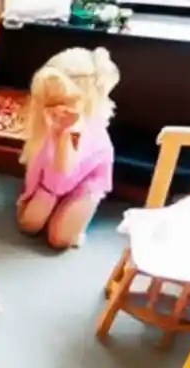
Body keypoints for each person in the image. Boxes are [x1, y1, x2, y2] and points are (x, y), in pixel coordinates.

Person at [17, 47, 119, 250]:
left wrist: (61, 135)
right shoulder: (46, 119)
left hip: (82, 178)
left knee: (60, 240)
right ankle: (47, 199)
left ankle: (74, 214)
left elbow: (65, 168)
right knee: (29, 225)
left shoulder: (78, 129)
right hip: (50, 176)